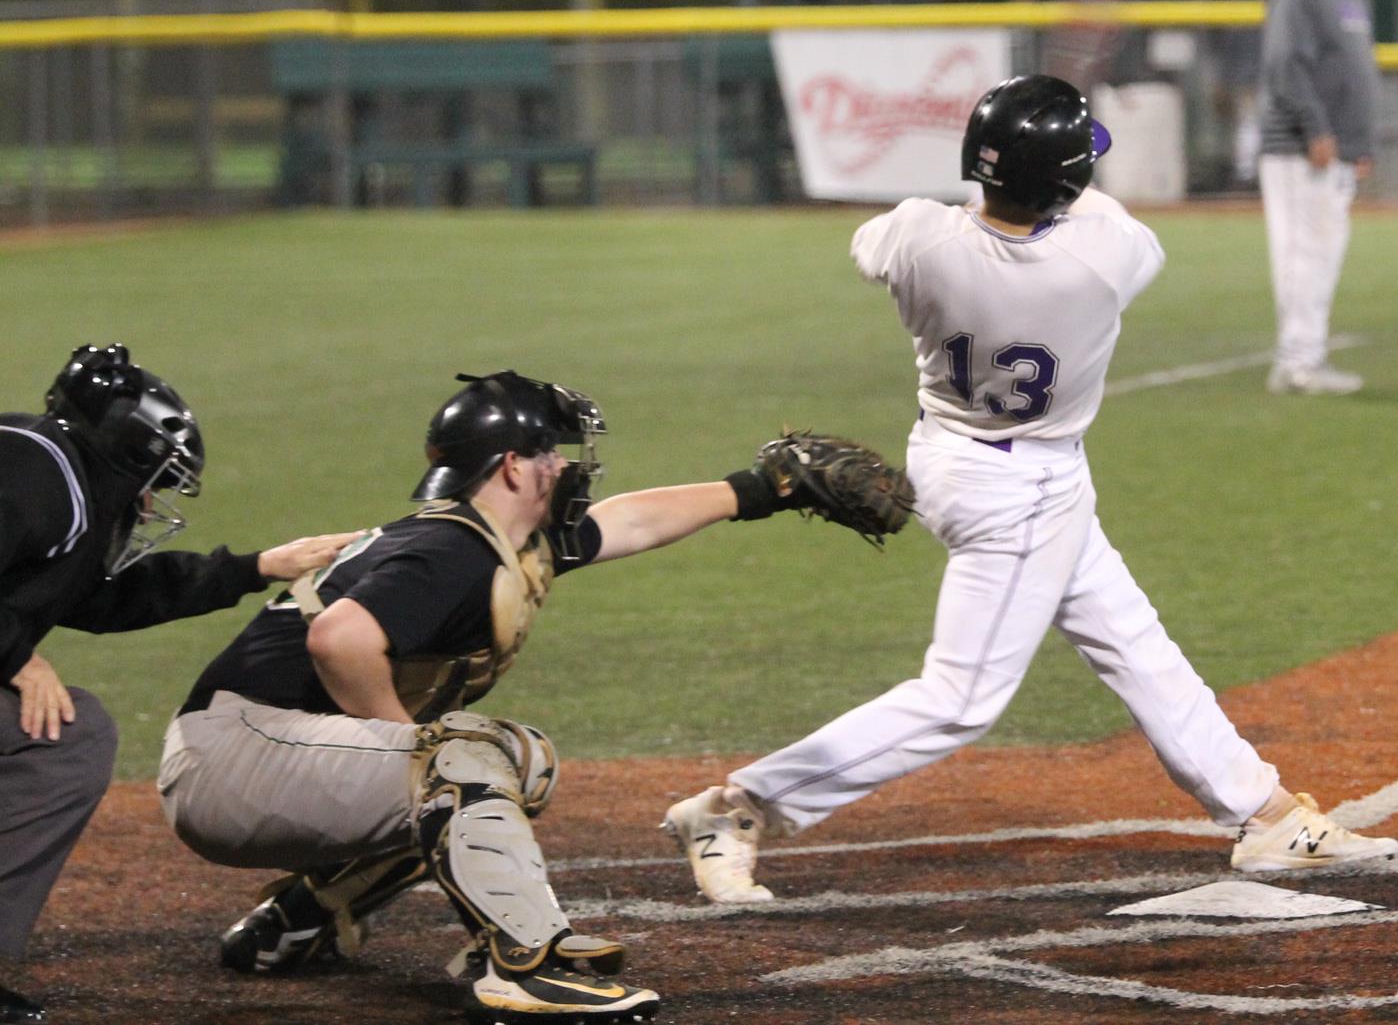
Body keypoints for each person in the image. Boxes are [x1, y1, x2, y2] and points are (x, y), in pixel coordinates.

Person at [663, 75, 1398, 906]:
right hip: (1022, 491)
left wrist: (994, 180)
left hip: (953, 455)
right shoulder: (1106, 254)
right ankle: (740, 806)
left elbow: (884, 240)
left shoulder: (916, 238)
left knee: (1132, 638)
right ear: (1067, 181)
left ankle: (1264, 812)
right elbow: (1084, 211)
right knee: (961, 698)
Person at [159, 371, 891, 1022]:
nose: (569, 469)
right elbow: (340, 638)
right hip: (233, 761)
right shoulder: (449, 549)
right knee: (460, 757)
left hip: (263, 757)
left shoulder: (498, 539)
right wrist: (409, 749)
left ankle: (296, 921)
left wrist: (757, 490)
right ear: (512, 466)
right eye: (554, 454)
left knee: (509, 761)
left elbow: (632, 520)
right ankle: (523, 967)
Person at [0, 344, 353, 1025]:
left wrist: (254, 567)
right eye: (154, 477)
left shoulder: (53, 476)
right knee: (64, 739)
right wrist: (17, 657)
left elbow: (100, 598)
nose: (151, 497)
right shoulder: (30, 472)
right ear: (125, 453)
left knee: (59, 731)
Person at [1255, 0, 1378, 396]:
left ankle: (1307, 358)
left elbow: (1354, 73)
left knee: (1323, 255)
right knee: (1302, 254)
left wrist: (1358, 142)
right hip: (1299, 147)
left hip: (1336, 147)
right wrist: (1317, 129)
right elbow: (1286, 65)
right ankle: (1297, 363)